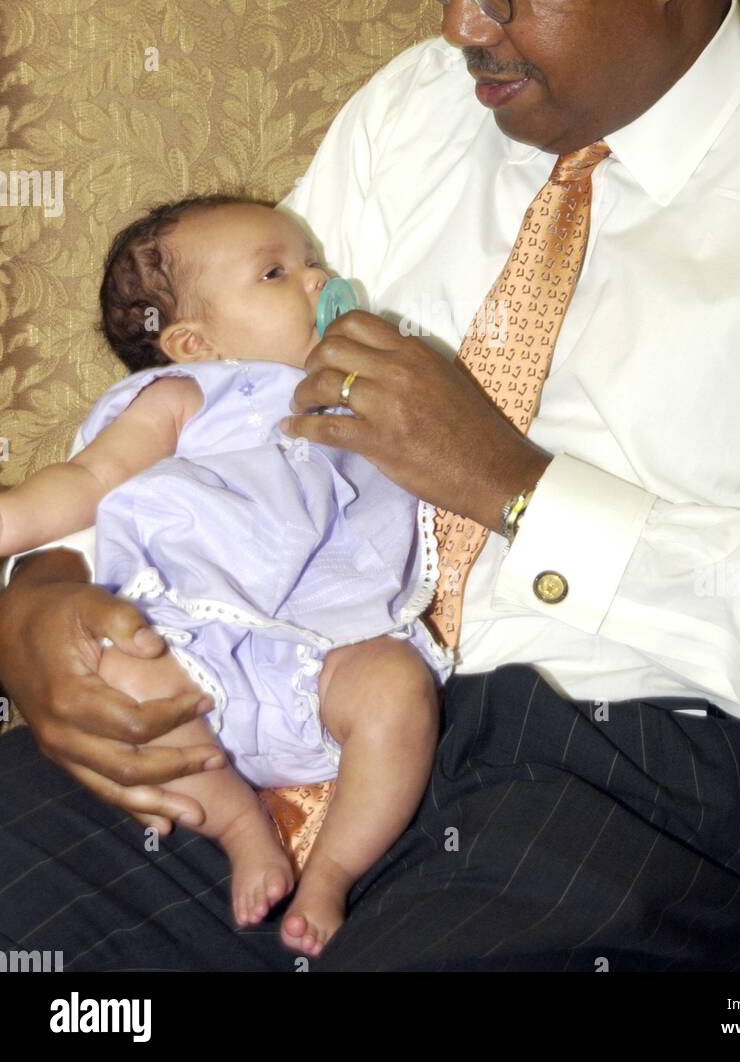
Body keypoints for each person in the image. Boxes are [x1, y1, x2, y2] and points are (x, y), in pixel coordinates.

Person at [1, 0, 740, 972]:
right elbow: (211, 396)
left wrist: (515, 488)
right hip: (267, 681)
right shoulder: (420, 111)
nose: (459, 27)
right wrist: (40, 596)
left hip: (606, 754)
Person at [0, 193, 453, 956]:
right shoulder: (189, 396)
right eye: (277, 273)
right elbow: (89, 481)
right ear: (193, 341)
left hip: (320, 657)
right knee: (122, 674)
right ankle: (243, 827)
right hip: (188, 642)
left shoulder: (365, 391)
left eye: (316, 264)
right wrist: (12, 520)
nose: (318, 281)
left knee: (398, 687)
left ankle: (332, 874)